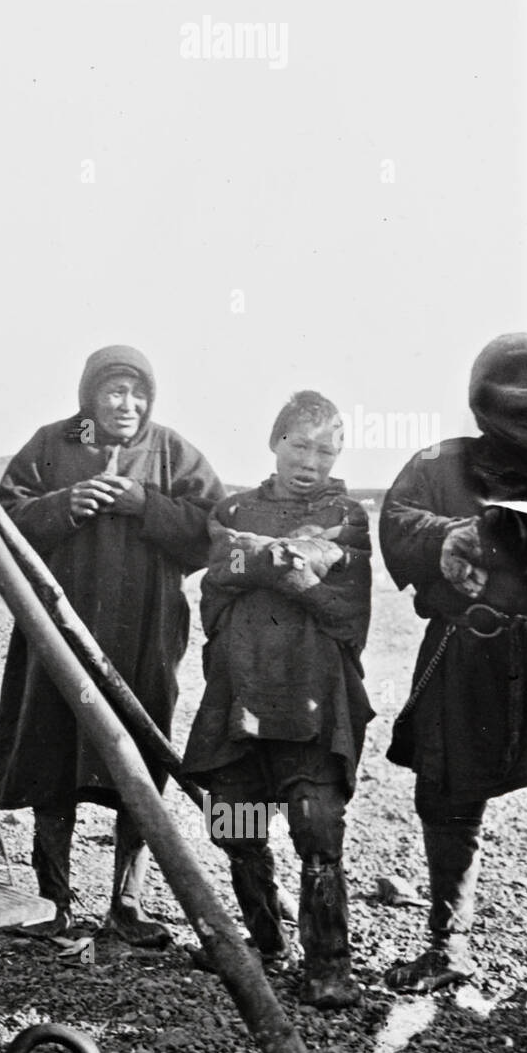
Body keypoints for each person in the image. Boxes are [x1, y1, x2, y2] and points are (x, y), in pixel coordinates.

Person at [0, 344, 224, 943]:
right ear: (90, 394)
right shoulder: (54, 443)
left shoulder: (170, 450)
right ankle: (53, 900)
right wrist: (61, 507)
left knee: (138, 760)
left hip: (143, 636)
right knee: (52, 751)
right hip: (57, 636)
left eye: (138, 393)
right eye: (115, 391)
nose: (127, 404)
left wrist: (149, 505)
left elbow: (212, 531)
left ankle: (127, 904)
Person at [380, 333, 527, 993]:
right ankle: (446, 944)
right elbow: (397, 520)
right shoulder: (441, 463)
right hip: (467, 653)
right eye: (521, 398)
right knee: (447, 793)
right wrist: (449, 535)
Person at [182, 391, 373, 1009]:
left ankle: (329, 964)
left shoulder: (349, 514)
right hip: (239, 694)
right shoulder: (233, 505)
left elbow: (344, 604)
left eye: (326, 449)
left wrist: (271, 562)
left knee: (317, 826)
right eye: (299, 443)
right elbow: (220, 576)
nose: (310, 460)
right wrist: (292, 561)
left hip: (312, 699)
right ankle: (264, 944)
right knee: (235, 823)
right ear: (275, 442)